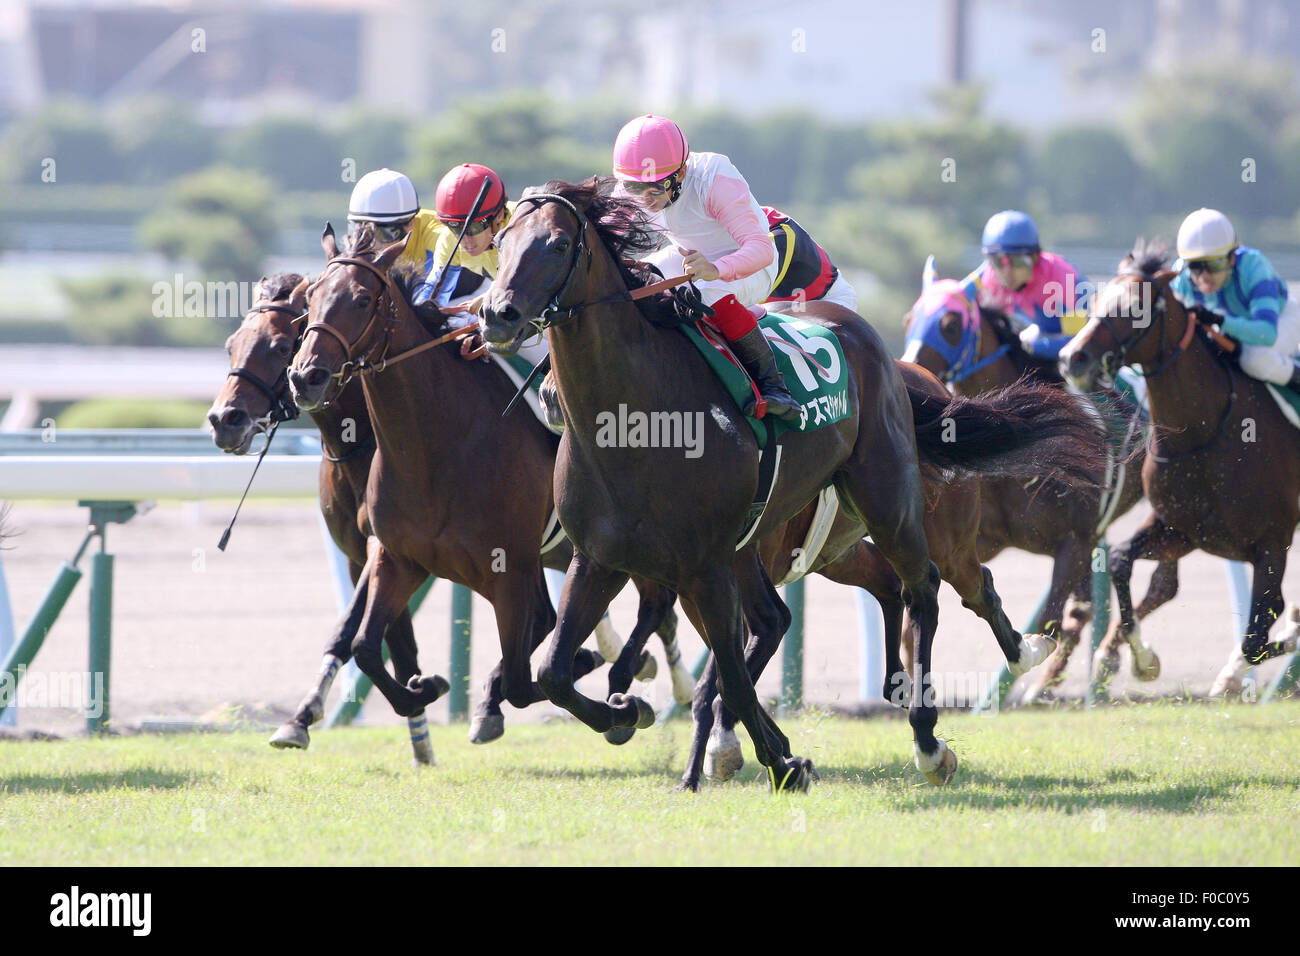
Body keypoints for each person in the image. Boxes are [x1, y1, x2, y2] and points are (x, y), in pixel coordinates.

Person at [612, 114, 802, 422]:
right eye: (635, 188)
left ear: (681, 172)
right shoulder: (631, 186)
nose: (645, 200)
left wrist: (717, 269)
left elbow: (762, 250)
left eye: (656, 189)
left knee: (706, 290)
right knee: (637, 280)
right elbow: (605, 241)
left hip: (750, 264)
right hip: (691, 257)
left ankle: (774, 386)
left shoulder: (714, 180)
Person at [1170, 207, 1299, 390]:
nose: (1203, 276)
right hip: (1233, 326)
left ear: (1231, 258)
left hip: (1280, 320)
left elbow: (1267, 334)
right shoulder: (1180, 276)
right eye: (1195, 265)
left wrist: (1220, 320)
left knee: (1252, 359)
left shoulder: (1254, 267)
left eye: (1214, 264)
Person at [964, 210, 1090, 363]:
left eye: (1017, 261)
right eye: (997, 261)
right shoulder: (988, 277)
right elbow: (955, 301)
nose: (1007, 272)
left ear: (1035, 257)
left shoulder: (1063, 280)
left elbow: (1080, 343)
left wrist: (1032, 347)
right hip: (1039, 335)